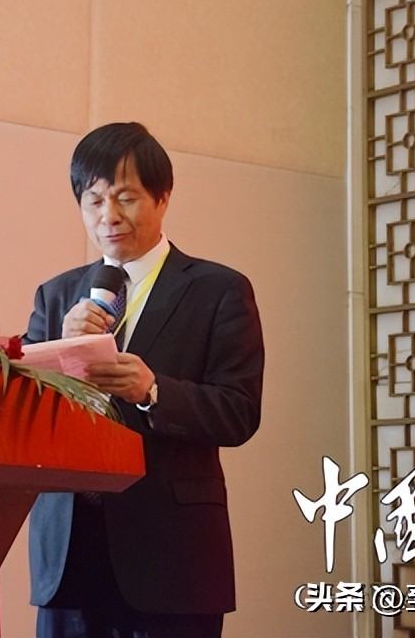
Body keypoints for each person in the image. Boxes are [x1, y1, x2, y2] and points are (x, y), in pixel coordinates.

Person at [25, 122, 265, 638]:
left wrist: (154, 392)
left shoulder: (218, 289)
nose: (108, 217)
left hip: (171, 557)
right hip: (69, 552)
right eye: (92, 201)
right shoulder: (56, 295)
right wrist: (59, 353)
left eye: (126, 197)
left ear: (163, 197)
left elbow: (239, 412)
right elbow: (25, 410)